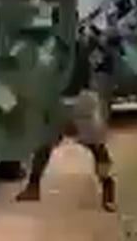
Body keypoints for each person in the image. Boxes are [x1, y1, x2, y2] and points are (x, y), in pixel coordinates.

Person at [16, 31, 117, 212]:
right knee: (93, 148)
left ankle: (33, 188)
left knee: (91, 148)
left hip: (73, 100)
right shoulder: (76, 42)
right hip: (73, 99)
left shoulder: (61, 45)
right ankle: (107, 190)